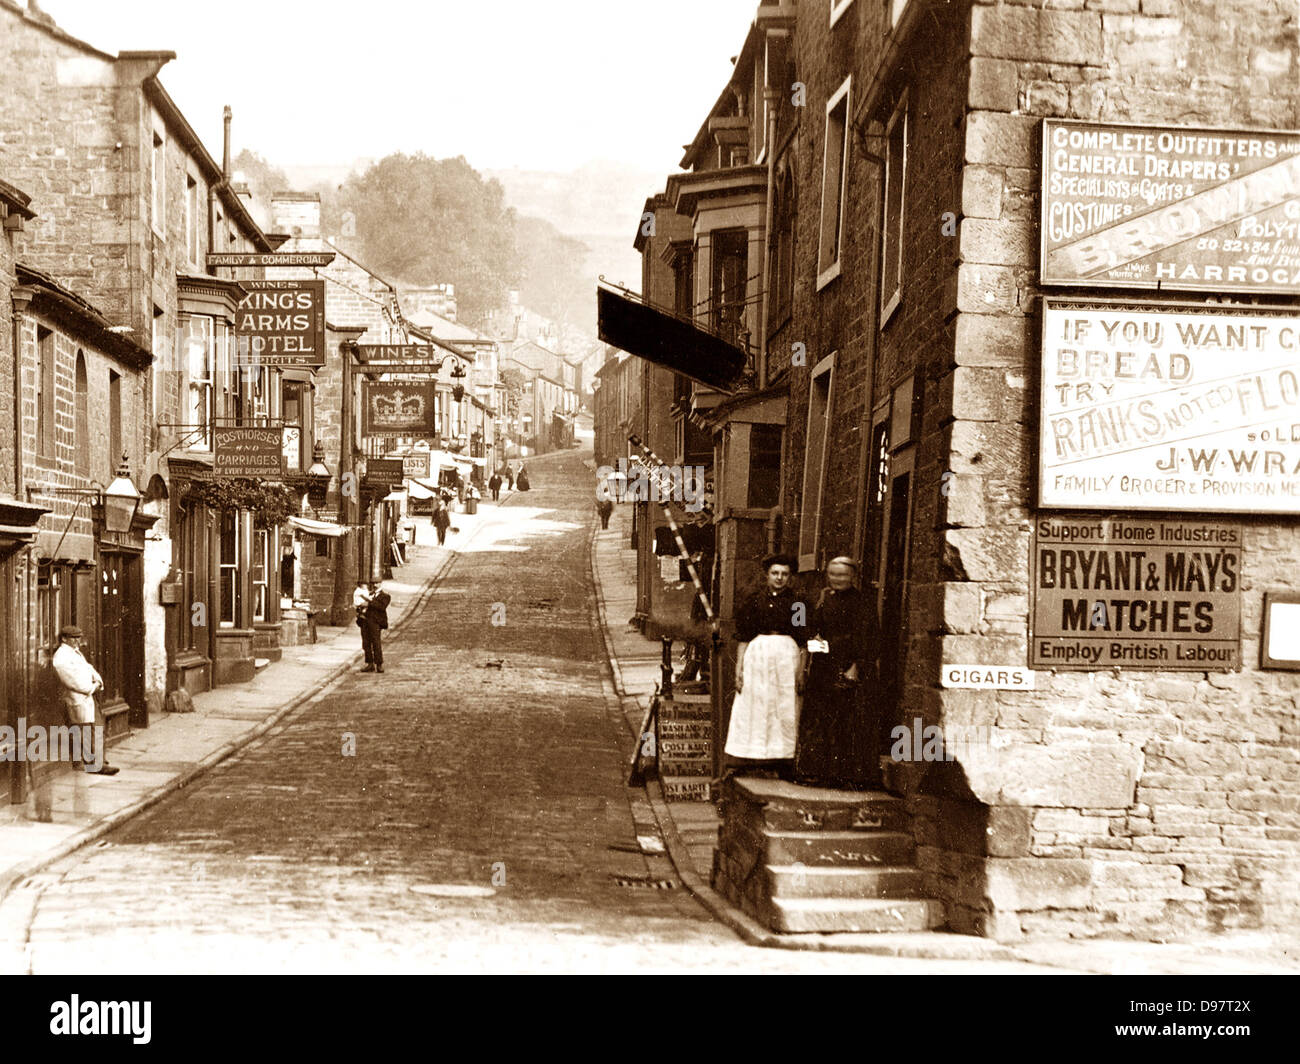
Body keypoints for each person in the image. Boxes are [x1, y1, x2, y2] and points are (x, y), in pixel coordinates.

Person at [794, 556, 882, 790]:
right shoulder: (825, 598)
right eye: (833, 574)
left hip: (849, 665)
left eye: (842, 575)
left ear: (852, 576)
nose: (837, 579)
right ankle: (818, 773)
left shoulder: (863, 601)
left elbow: (868, 637)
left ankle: (848, 776)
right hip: (824, 666)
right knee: (821, 719)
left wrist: (856, 666)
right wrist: (814, 639)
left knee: (848, 722)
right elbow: (813, 627)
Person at [723, 553, 807, 780]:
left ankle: (783, 758)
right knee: (756, 702)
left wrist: (801, 670)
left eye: (785, 574)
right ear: (767, 575)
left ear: (790, 577)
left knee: (784, 704)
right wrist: (738, 668)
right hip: (758, 654)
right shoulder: (754, 600)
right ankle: (753, 756)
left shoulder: (797, 603)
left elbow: (803, 640)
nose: (779, 578)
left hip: (786, 655)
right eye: (775, 573)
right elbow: (744, 636)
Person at [51, 626, 117, 775]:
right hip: (76, 698)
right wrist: (93, 686)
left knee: (95, 729)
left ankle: (99, 761)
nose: (77, 641)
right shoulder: (61, 657)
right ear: (64, 639)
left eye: (78, 637)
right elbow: (75, 682)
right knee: (85, 731)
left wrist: (98, 681)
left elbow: (89, 668)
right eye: (74, 638)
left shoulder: (75, 653)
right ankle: (95, 764)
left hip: (86, 697)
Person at [360, 581, 391, 673]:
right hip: (365, 621)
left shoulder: (385, 596)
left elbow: (381, 607)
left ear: (380, 584)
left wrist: (369, 603)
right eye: (373, 583)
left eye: (377, 583)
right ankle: (369, 664)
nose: (375, 585)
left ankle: (379, 664)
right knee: (366, 643)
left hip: (376, 622)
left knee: (376, 643)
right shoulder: (369, 594)